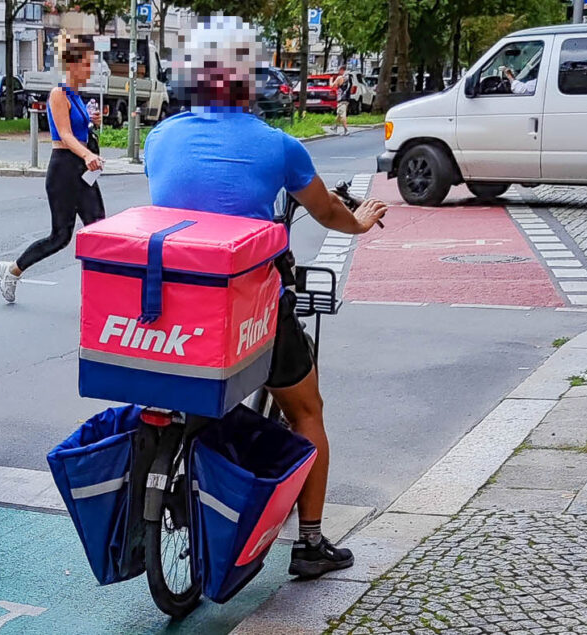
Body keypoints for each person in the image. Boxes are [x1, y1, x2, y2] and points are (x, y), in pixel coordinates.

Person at [144, 16, 388, 579]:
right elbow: (327, 211)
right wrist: (361, 220)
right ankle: (309, 543)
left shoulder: (161, 138)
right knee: (307, 410)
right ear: (247, 80)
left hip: (172, 304)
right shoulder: (279, 146)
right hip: (246, 304)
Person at [0, 33, 103, 303]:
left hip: (81, 169)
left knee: (99, 228)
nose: (90, 70)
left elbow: (79, 131)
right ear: (73, 66)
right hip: (64, 170)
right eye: (87, 65)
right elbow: (65, 136)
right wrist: (87, 153)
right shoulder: (58, 93)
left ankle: (101, 292)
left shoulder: (77, 96)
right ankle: (13, 270)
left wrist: (92, 123)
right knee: (60, 237)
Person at [330, 66, 351, 135]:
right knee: (339, 113)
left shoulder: (340, 78)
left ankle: (346, 130)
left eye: (339, 70)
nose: (338, 71)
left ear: (342, 70)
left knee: (342, 115)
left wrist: (330, 80)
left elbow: (332, 86)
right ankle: (334, 126)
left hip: (341, 98)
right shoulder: (349, 78)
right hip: (347, 98)